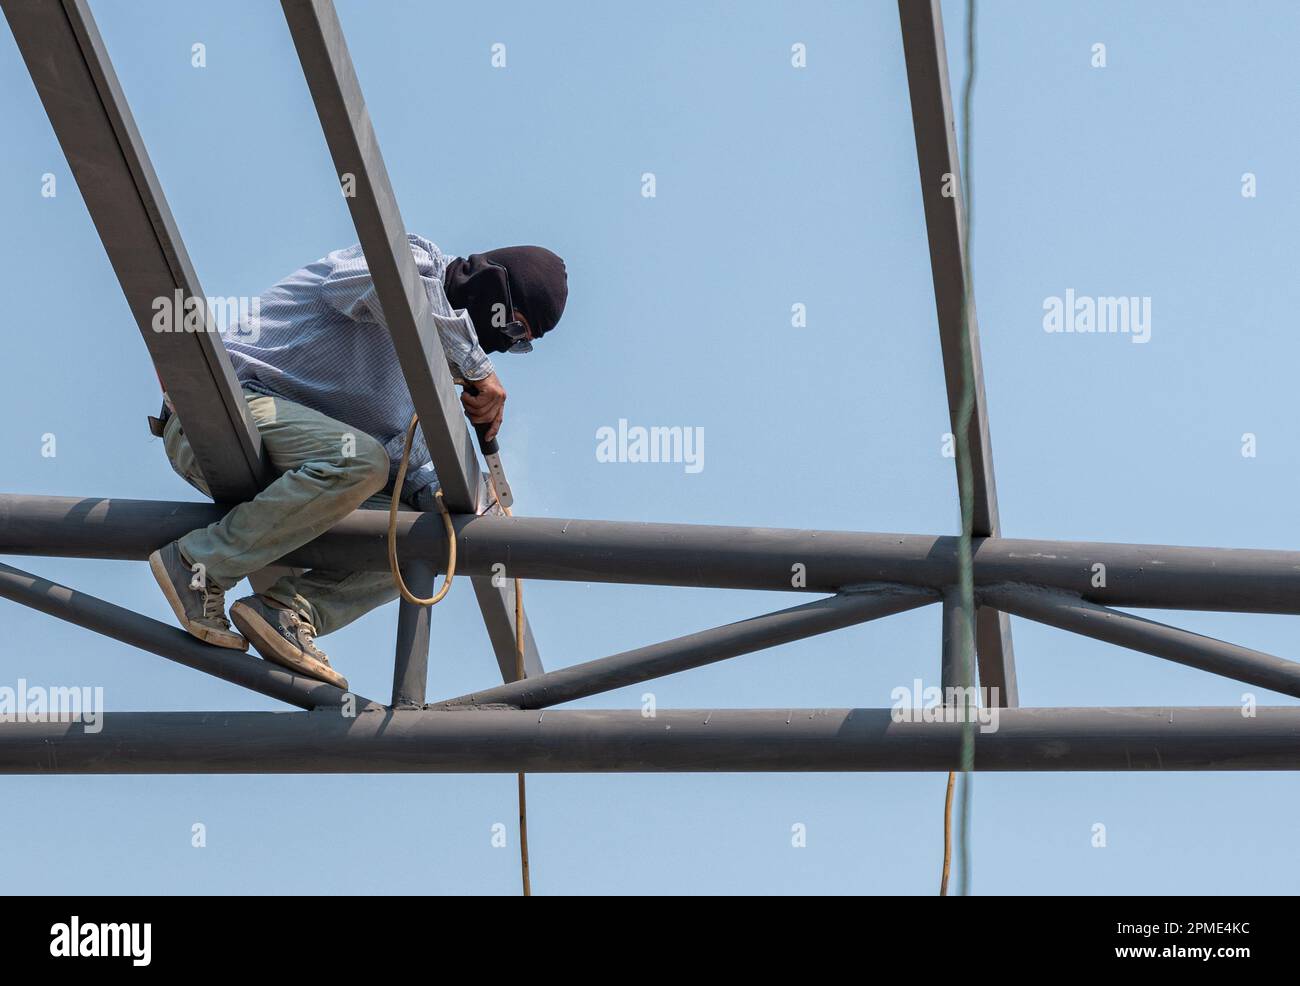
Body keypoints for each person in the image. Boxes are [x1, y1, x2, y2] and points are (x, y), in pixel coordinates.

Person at [148, 235, 567, 689]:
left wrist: (468, 499)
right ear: (493, 287)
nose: (505, 345)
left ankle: (288, 610)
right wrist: (473, 362)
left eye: (522, 342)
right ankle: (199, 565)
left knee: (429, 538)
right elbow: (369, 286)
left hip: (289, 476)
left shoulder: (434, 393)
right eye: (515, 327)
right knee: (360, 462)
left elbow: (399, 469)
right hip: (222, 416)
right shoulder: (409, 261)